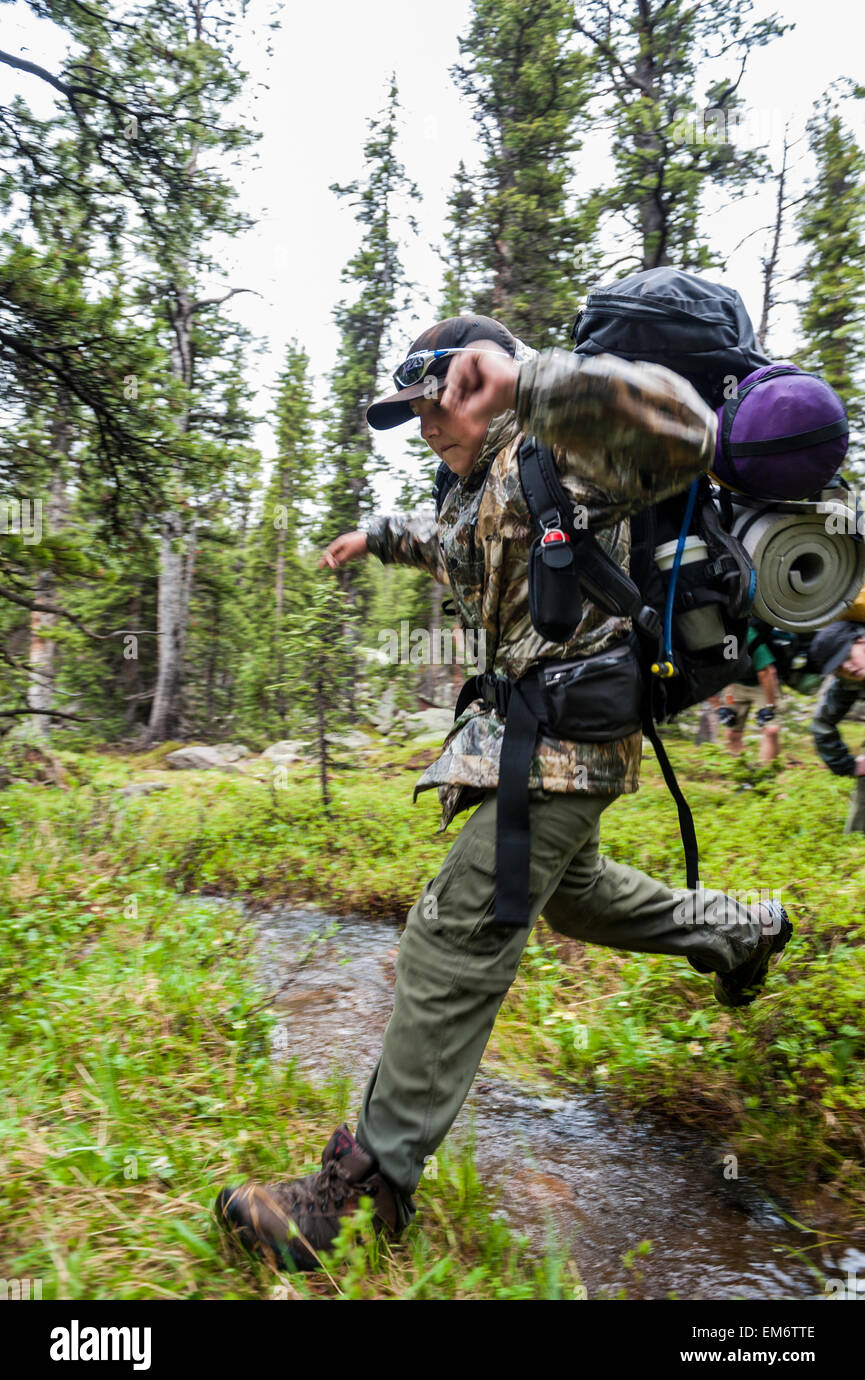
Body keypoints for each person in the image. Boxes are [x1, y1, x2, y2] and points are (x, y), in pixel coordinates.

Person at [214, 314, 793, 1272]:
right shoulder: (470, 490)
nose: (425, 426)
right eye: (410, 417)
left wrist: (531, 381)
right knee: (579, 898)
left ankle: (365, 1197)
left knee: (455, 929)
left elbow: (685, 436)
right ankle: (741, 927)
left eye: (431, 404)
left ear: (475, 382)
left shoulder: (567, 449)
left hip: (570, 738)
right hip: (526, 739)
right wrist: (371, 535)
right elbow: (442, 543)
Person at [809, 620, 865, 831]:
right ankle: (856, 845)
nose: (847, 668)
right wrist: (847, 765)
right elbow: (821, 724)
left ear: (862, 641)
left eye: (848, 657)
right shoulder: (847, 681)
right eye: (839, 668)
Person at [717, 624, 783, 762]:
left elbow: (767, 672)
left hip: (763, 684)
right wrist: (720, 708)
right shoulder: (705, 644)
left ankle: (767, 774)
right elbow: (705, 678)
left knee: (771, 730)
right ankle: (744, 772)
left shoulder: (747, 635)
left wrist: (769, 707)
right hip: (736, 684)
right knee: (732, 733)